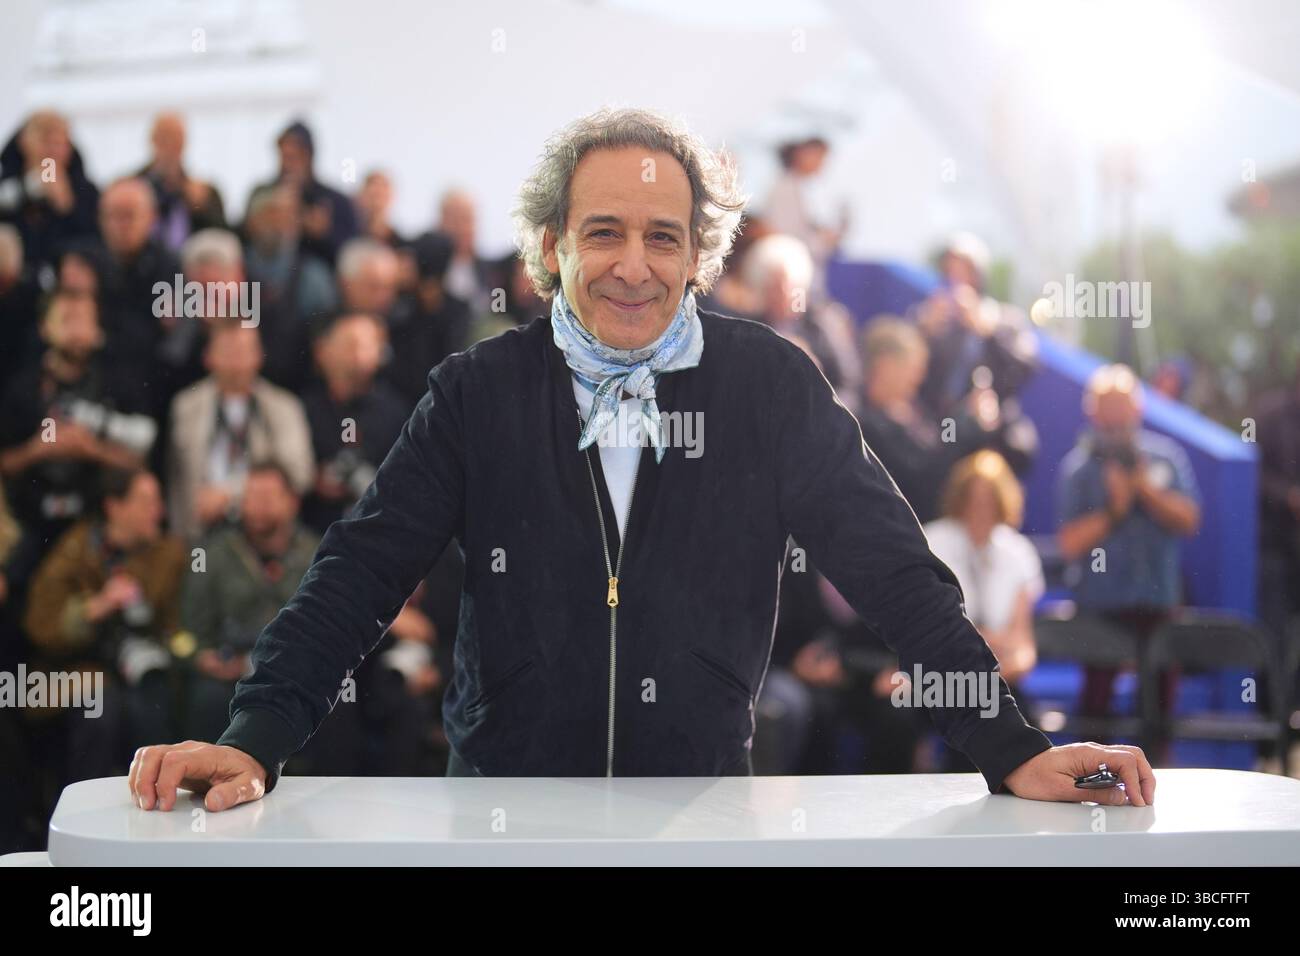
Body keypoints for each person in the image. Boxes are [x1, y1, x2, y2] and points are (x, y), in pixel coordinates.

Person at [130, 107, 1154, 815]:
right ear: (550, 248)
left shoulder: (771, 384)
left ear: (699, 254)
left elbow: (894, 571)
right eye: (602, 231)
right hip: (505, 814)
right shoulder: (474, 393)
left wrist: (1009, 744)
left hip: (705, 812)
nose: (633, 264)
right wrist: (257, 734)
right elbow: (356, 573)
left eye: (664, 237)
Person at [1056, 364, 1201, 720]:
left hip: (1159, 605)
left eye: (1123, 411)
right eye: (1108, 413)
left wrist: (1146, 491)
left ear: (1138, 409)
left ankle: (1156, 774)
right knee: (1096, 713)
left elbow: (1189, 520)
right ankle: (1092, 774)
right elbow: (1069, 543)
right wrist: (1115, 511)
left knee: (1159, 714)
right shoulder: (1079, 469)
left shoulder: (1166, 457)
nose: (1116, 423)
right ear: (1093, 412)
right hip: (1099, 609)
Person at [26, 467, 186, 781]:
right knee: (100, 708)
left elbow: (181, 625)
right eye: (147, 502)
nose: (159, 511)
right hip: (77, 671)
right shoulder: (75, 550)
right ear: (115, 506)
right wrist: (95, 607)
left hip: (149, 669)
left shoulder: (170, 555)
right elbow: (39, 625)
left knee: (155, 705)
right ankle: (83, 813)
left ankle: (162, 805)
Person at [924, 451, 1045, 769]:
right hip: (940, 678)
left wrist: (993, 670)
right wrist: (993, 644)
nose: (981, 510)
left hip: (998, 679)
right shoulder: (931, 543)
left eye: (989, 500)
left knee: (1023, 726)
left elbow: (1022, 646)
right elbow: (934, 632)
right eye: (973, 500)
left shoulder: (1019, 553)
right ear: (959, 499)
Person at [165, 320, 314, 543]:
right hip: (199, 533)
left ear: (259, 355)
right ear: (208, 356)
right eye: (228, 350)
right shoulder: (186, 406)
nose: (237, 360)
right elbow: (177, 480)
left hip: (267, 534)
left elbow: (300, 474)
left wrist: (228, 496)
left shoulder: (284, 407)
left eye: (244, 350)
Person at [301, 312, 409, 532]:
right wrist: (311, 478)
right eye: (351, 345)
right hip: (313, 528)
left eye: (369, 345)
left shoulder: (396, 412)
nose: (360, 354)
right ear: (323, 351)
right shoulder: (304, 408)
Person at [136, 112, 227, 254]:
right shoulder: (130, 189)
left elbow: (219, 237)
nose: (170, 146)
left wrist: (202, 209)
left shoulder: (205, 192)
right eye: (164, 137)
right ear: (152, 140)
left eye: (176, 139)